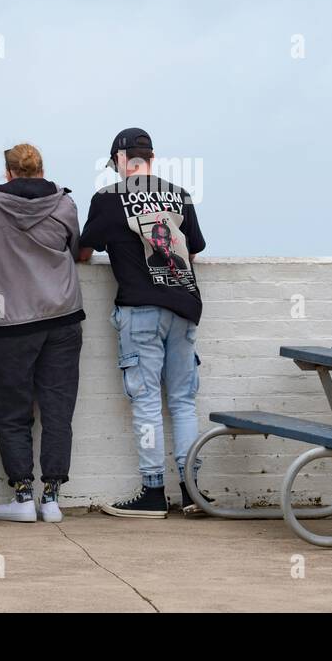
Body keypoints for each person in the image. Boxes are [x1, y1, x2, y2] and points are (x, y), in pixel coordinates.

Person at [77, 128, 207, 518]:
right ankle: (192, 492)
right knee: (183, 401)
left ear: (120, 160)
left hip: (140, 310)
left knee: (147, 400)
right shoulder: (179, 194)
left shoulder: (107, 199)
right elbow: (194, 251)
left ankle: (153, 493)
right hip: (184, 305)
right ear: (150, 158)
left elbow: (83, 252)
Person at [0, 143, 85, 523]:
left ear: (8, 173)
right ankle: (51, 498)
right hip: (63, 315)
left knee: (9, 412)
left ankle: (22, 495)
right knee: (58, 410)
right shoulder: (65, 204)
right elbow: (75, 247)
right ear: (42, 169)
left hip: (10, 322)